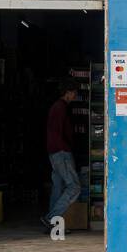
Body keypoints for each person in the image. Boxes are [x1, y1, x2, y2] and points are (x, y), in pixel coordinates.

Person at [42, 79, 82, 233]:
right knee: (74, 187)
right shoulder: (60, 108)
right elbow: (58, 133)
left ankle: (54, 226)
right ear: (68, 92)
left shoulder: (57, 107)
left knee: (58, 187)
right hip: (61, 153)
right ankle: (51, 217)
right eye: (74, 92)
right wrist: (65, 149)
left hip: (55, 152)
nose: (75, 95)